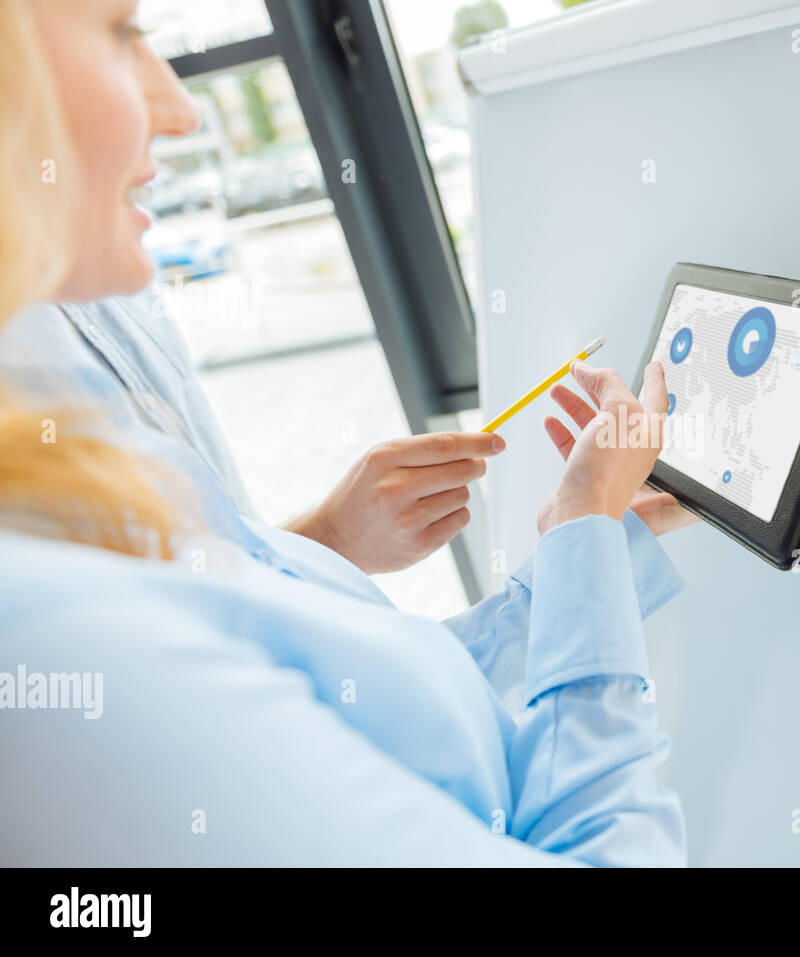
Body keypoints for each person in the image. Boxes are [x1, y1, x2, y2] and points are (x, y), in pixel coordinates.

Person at [0, 0, 687, 865]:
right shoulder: (41, 634)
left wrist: (576, 566)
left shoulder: (98, 315)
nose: (181, 110)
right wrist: (586, 527)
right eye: (121, 33)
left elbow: (355, 725)